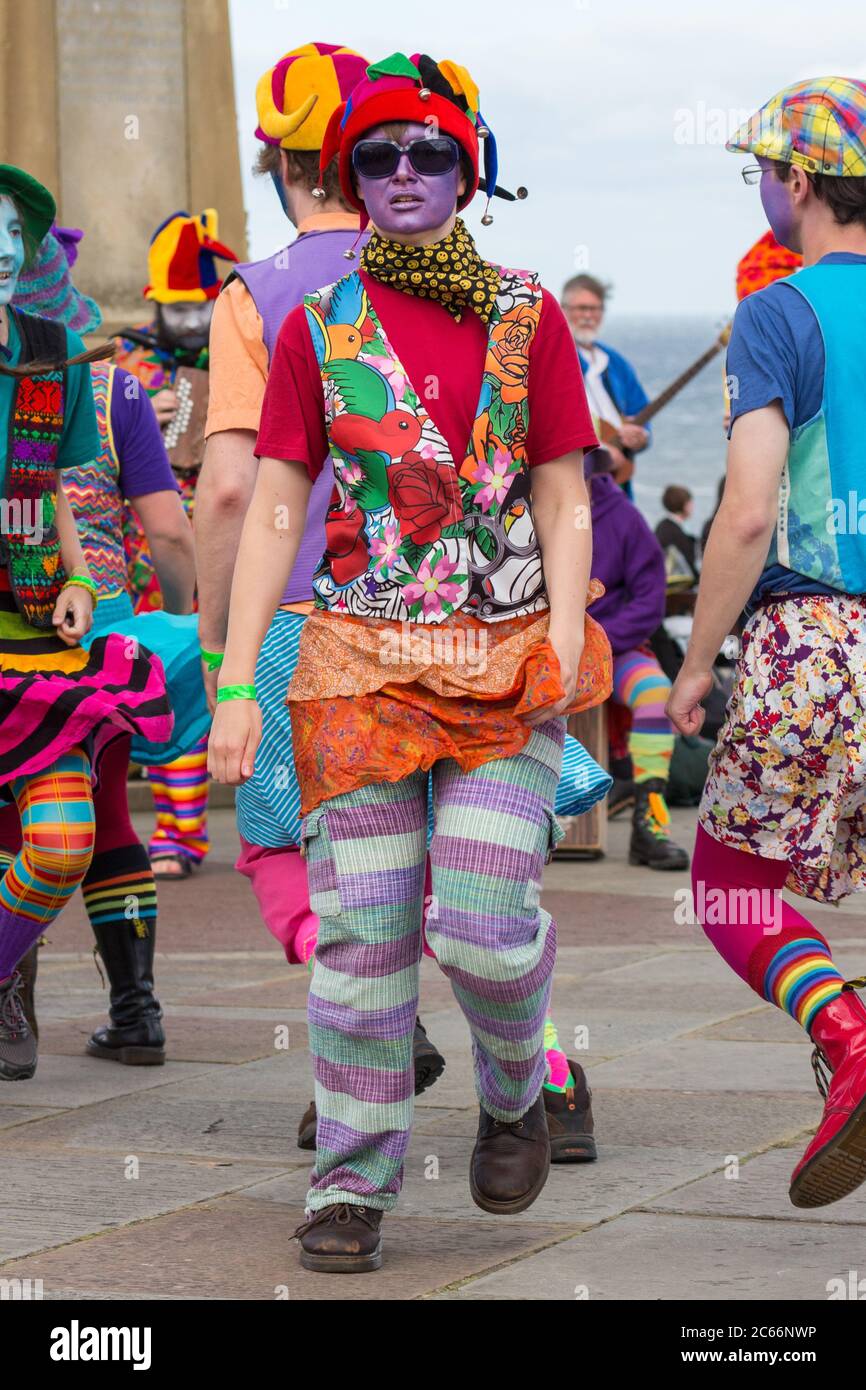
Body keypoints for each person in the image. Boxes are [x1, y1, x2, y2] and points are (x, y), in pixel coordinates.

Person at [208, 51, 611, 1273]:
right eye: (373, 156)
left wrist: (557, 636)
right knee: (362, 935)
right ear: (347, 172)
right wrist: (235, 684)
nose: (399, 174)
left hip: (498, 661)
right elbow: (272, 506)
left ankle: (509, 1089)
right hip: (351, 665)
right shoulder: (311, 331)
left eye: (427, 154)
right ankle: (351, 1181)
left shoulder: (526, 313)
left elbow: (561, 488)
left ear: (465, 173)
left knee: (484, 922)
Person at [667, 77, 866, 1209]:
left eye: (762, 170)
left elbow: (746, 510)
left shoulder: (778, 311)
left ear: (795, 180)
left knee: (731, 885)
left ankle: (844, 1037)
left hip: (812, 632)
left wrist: (697, 661)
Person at [0, 221, 198, 1060]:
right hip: (105, 642)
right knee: (109, 816)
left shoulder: (86, 379)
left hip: (55, 636)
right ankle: (137, 1010)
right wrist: (189, 624)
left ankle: (14, 1022)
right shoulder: (120, 388)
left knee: (28, 833)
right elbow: (171, 533)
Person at [116, 210, 238, 880]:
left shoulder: (243, 352)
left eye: (201, 307)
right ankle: (105, 834)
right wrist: (138, 414)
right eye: (179, 308)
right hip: (138, 556)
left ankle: (180, 834)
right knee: (137, 688)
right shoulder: (123, 362)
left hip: (220, 550)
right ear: (155, 301)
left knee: (192, 688)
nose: (191, 322)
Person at [589, 460, 689, 869]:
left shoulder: (624, 517)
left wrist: (597, 640)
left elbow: (650, 601)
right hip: (538, 650)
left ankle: (652, 824)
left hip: (615, 649)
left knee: (656, 695)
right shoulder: (524, 503)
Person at [561, 273, 651, 491]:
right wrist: (600, 452)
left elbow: (641, 411)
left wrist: (642, 437)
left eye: (596, 309)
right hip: (576, 481)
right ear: (563, 310)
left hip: (616, 483)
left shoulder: (616, 362)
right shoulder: (558, 357)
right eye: (582, 308)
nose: (589, 316)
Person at [655, 484, 700, 581]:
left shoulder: (661, 526)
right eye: (690, 502)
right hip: (676, 584)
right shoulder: (676, 533)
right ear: (685, 505)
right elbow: (689, 565)